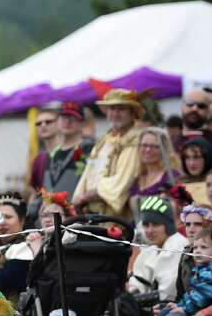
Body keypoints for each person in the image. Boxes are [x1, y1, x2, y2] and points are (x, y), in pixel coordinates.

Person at [73, 88, 146, 220]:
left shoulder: (135, 140)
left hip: (116, 217)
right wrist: (78, 197)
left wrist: (87, 196)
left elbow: (124, 180)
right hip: (92, 211)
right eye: (112, 109)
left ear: (132, 112)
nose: (115, 113)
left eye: (121, 109)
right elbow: (88, 173)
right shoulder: (104, 140)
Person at [126, 196, 187, 302]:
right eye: (146, 225)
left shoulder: (178, 245)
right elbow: (138, 283)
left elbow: (167, 293)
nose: (149, 230)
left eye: (155, 224)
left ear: (168, 225)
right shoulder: (152, 249)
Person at [129, 127, 181, 216]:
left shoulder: (171, 177)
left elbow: (175, 211)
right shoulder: (136, 177)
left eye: (154, 146)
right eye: (144, 145)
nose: (148, 150)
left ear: (164, 149)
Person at [178, 87, 212, 152]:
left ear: (208, 110)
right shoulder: (169, 141)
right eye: (190, 104)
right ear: (182, 106)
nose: (194, 108)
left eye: (201, 106)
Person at [178, 137, 212, 205]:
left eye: (196, 157)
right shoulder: (178, 184)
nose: (191, 163)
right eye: (187, 158)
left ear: (207, 159)